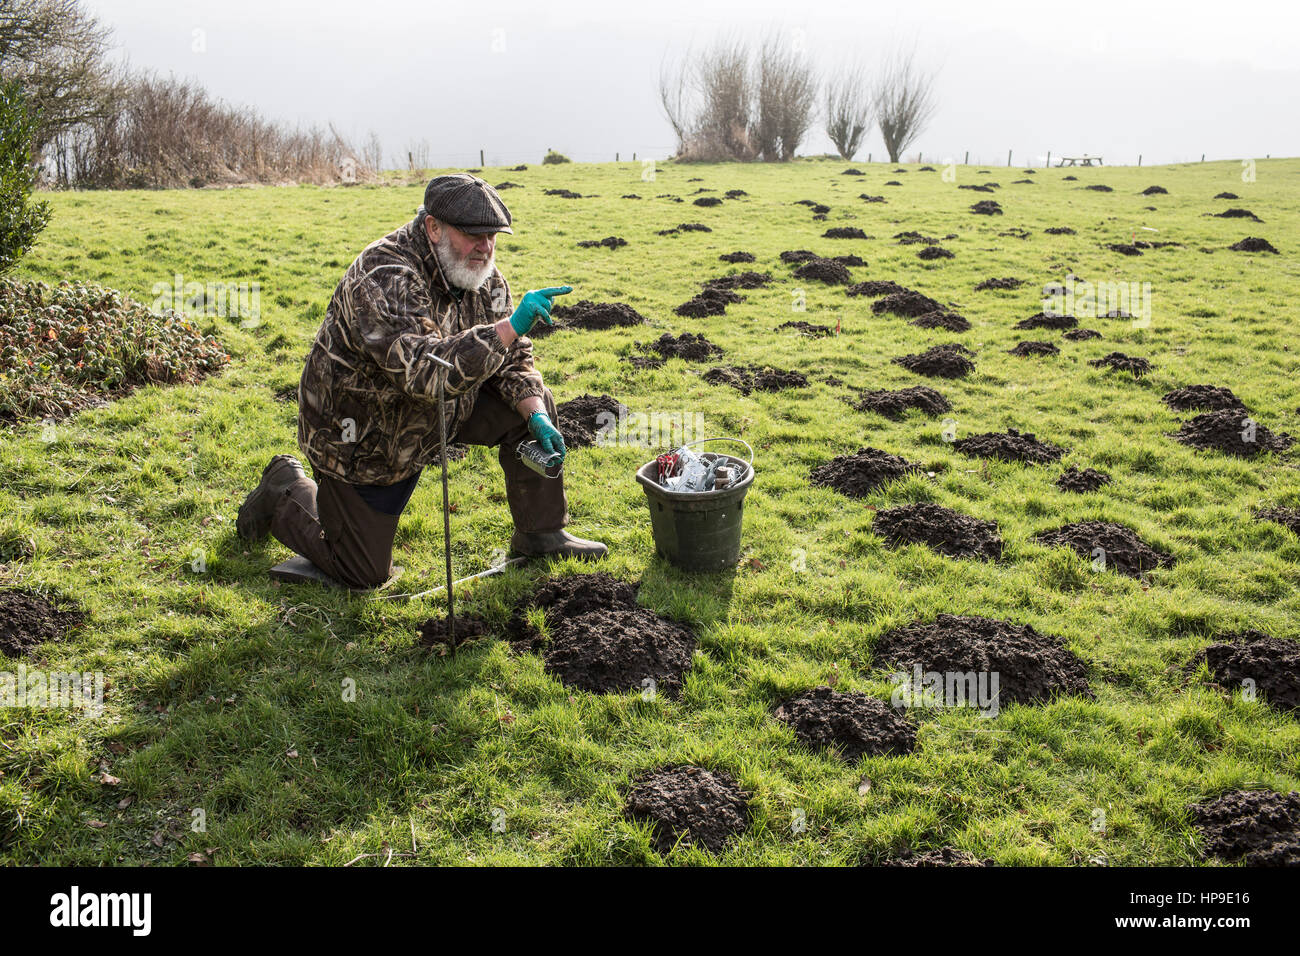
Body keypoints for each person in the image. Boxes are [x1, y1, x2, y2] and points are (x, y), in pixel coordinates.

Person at [235, 173, 606, 589]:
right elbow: (424, 372)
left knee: (530, 399)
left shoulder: (479, 274)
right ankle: (285, 489)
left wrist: (535, 415)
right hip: (365, 434)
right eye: (473, 235)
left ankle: (541, 533)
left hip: (442, 410)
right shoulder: (384, 275)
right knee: (362, 573)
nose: (485, 248)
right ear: (433, 227)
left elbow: (513, 360)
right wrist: (508, 327)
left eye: (493, 236)